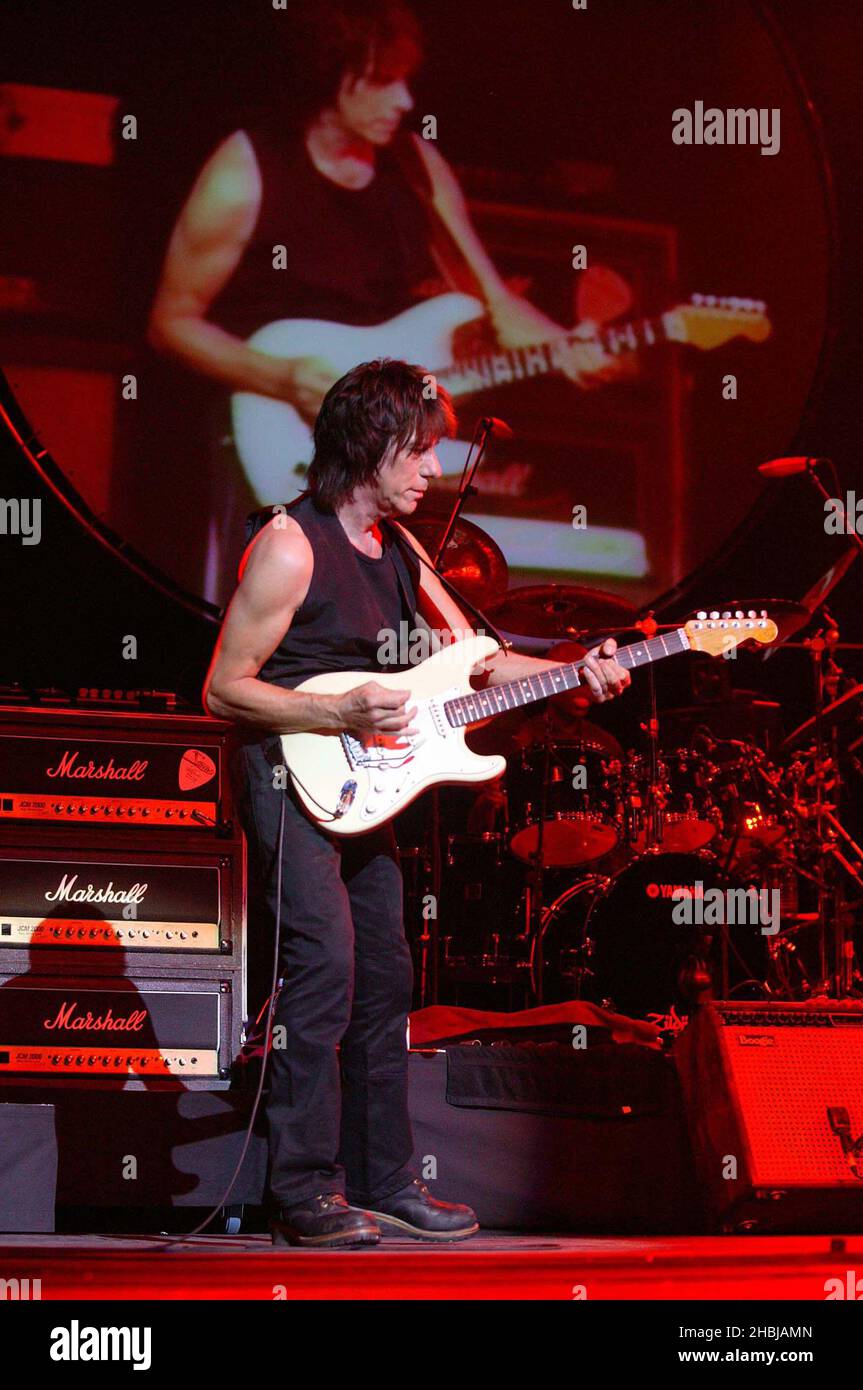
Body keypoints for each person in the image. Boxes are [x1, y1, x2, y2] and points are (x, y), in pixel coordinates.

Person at [203, 358, 631, 1247]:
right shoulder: (290, 544)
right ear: (372, 445)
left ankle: (388, 1180)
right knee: (322, 973)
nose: (433, 470)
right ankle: (305, 1192)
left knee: (385, 979)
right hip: (289, 772)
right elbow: (221, 690)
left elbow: (479, 658)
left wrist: (572, 671)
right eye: (421, 451)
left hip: (361, 786)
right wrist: (337, 708)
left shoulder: (401, 552)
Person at [147, 0, 633, 596]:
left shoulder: (417, 167)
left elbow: (497, 308)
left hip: (384, 444)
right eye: (381, 81)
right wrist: (283, 378)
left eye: (406, 80)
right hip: (272, 432)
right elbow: (170, 322)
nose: (404, 101)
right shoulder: (245, 169)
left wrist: (567, 349)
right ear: (328, 79)